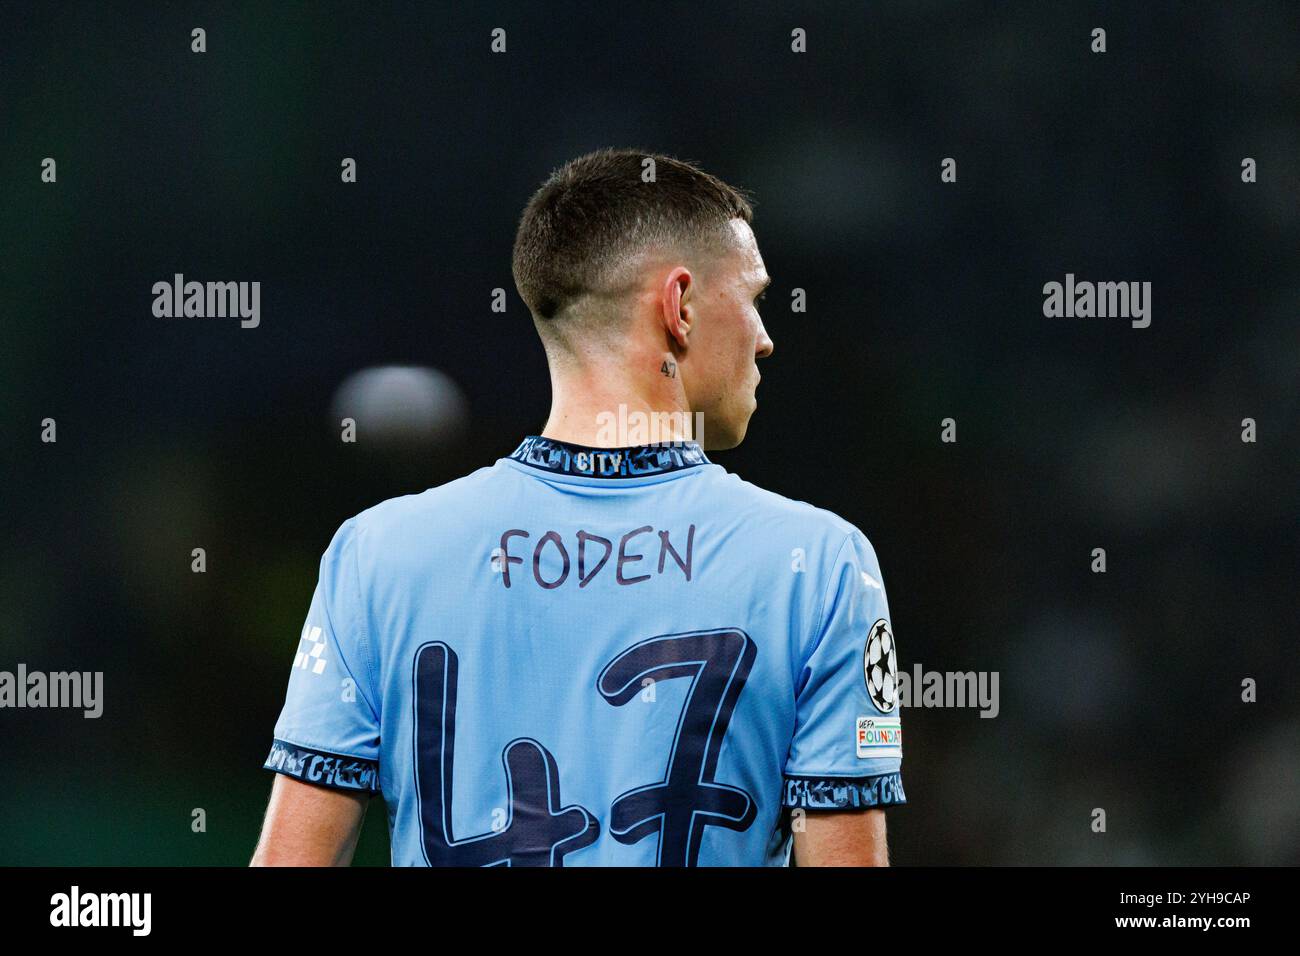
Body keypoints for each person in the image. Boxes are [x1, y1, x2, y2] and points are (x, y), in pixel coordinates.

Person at [251, 148, 904, 866]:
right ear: (679, 306)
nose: (766, 337)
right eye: (753, 298)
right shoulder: (819, 564)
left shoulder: (377, 556)